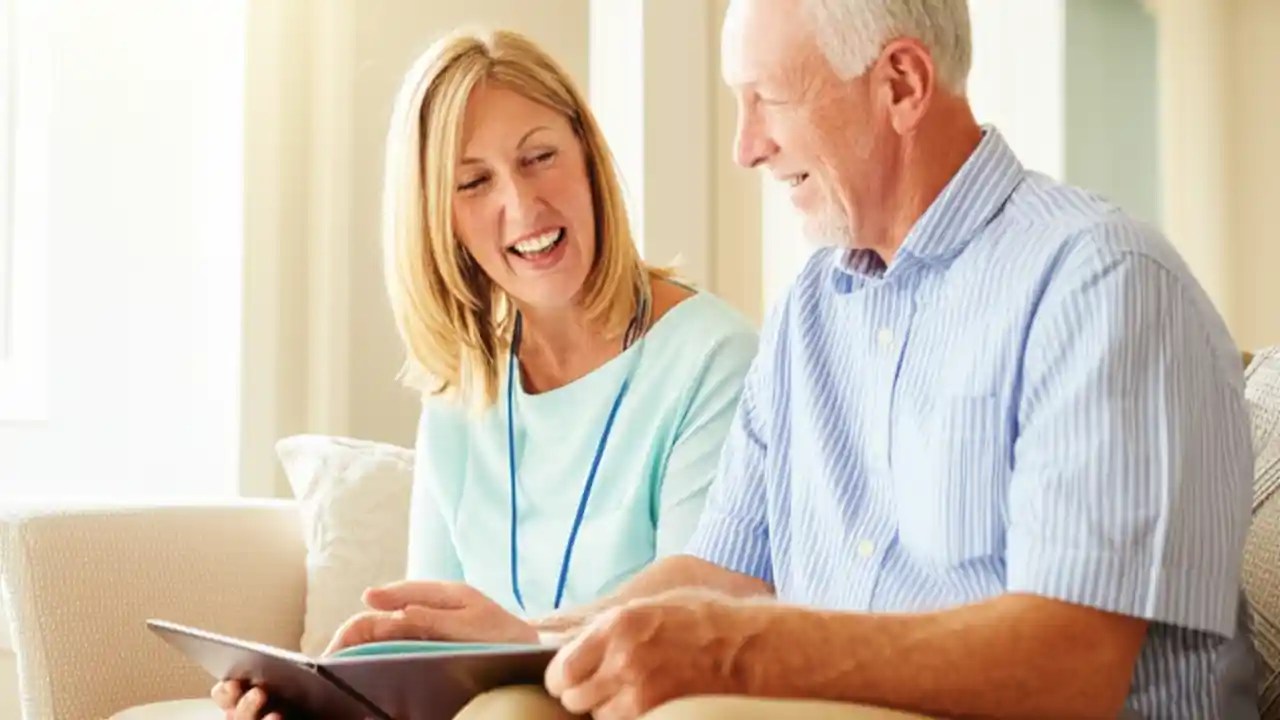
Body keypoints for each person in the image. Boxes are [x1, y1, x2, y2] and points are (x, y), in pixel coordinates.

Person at [262, 1, 1260, 719]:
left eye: (764, 101)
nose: (742, 147)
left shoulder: (1097, 285)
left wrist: (742, 653)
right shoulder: (811, 316)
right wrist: (530, 643)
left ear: (899, 83)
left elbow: (1069, 669)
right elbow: (721, 571)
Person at [211, 26, 758, 720]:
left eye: (540, 158)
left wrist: (531, 643)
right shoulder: (461, 393)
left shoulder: (714, 360)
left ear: (588, 157)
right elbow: (431, 671)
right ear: (441, 222)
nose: (524, 206)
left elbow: (703, 626)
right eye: (474, 182)